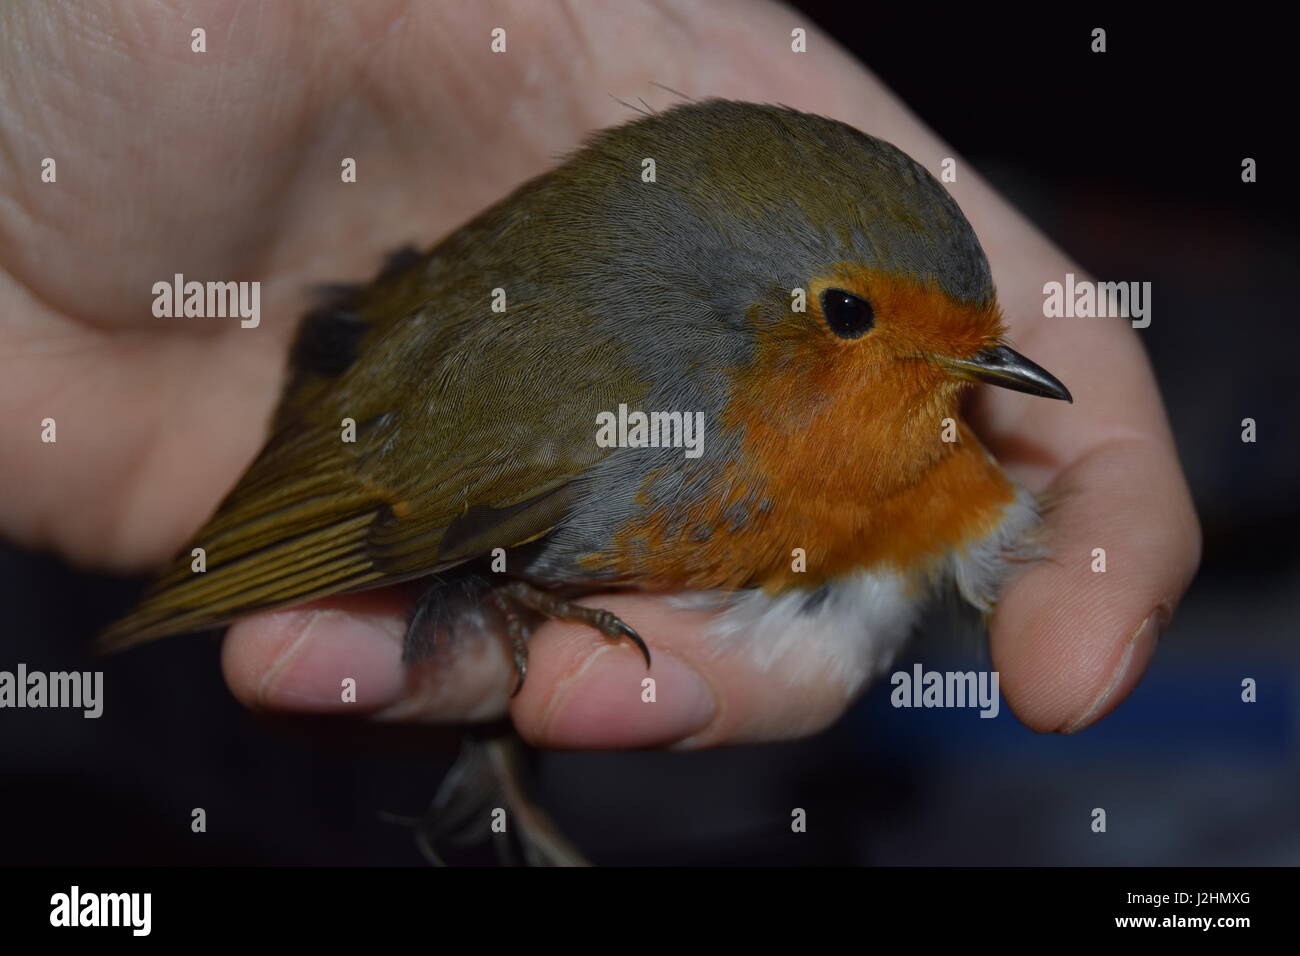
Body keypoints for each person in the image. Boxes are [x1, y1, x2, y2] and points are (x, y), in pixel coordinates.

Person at [0, 0, 1199, 751]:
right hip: (385, 429)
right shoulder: (568, 409)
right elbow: (354, 495)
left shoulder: (855, 417)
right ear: (752, 316)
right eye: (850, 317)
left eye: (967, 338)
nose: (974, 372)